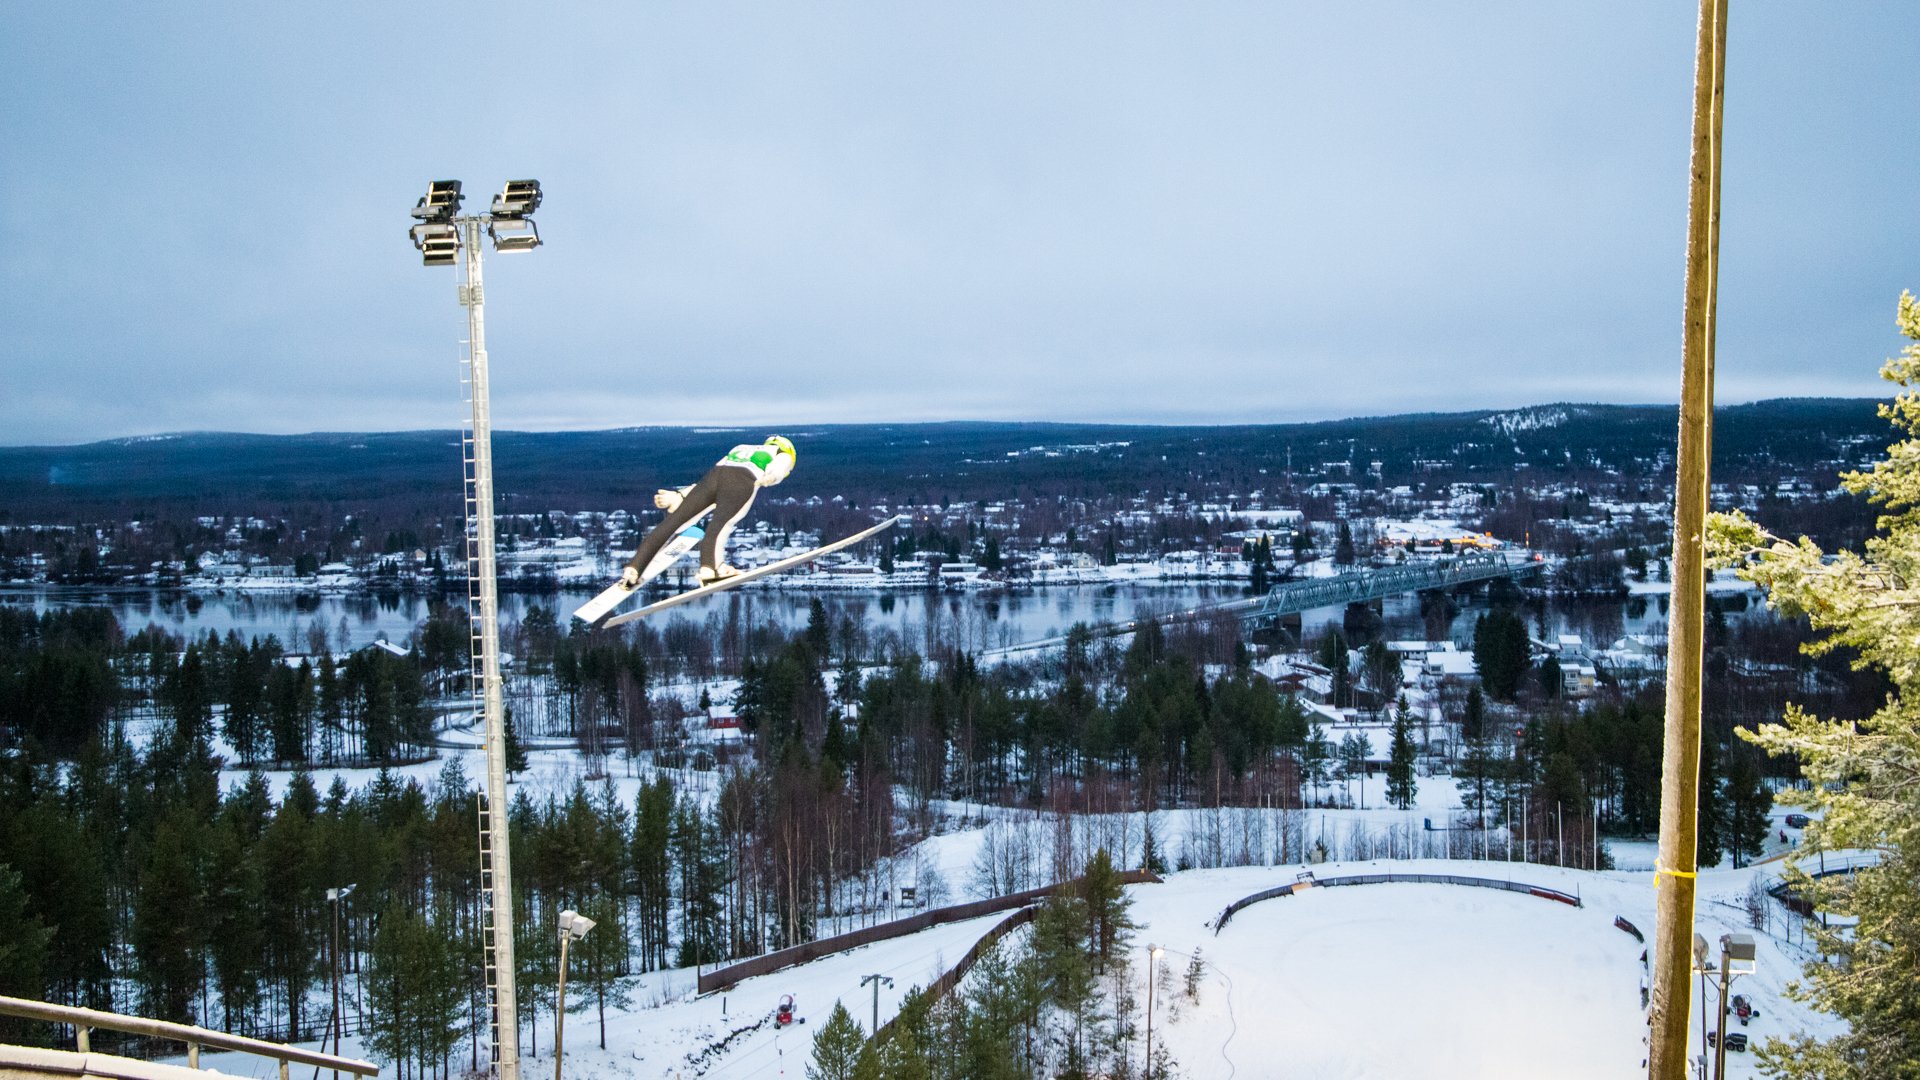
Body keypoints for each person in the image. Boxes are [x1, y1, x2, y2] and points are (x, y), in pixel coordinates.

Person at [621, 436, 796, 587]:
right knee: (721, 524)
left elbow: (713, 476)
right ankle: (711, 568)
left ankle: (634, 568)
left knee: (672, 523)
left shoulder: (741, 447)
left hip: (716, 475)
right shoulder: (781, 453)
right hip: (742, 479)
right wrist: (772, 477)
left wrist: (680, 496)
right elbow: (781, 467)